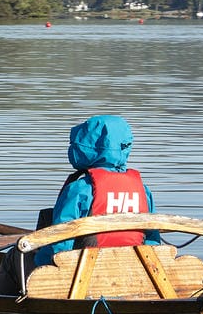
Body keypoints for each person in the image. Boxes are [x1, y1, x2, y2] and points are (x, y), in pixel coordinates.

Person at [34, 113, 159, 266]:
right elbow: (153, 240)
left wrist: (39, 260)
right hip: (132, 269)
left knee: (13, 257)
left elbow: (60, 243)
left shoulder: (80, 189)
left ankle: (0, 290)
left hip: (83, 272)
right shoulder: (143, 191)